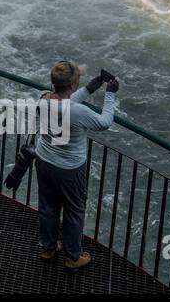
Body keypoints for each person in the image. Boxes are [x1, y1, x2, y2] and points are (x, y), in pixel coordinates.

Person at [34, 60, 118, 271]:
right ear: (72, 85)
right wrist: (110, 93)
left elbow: (67, 101)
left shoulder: (43, 99)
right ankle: (73, 256)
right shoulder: (79, 112)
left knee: (48, 207)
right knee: (73, 211)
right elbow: (105, 122)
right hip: (69, 169)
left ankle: (48, 247)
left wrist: (95, 84)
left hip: (44, 160)